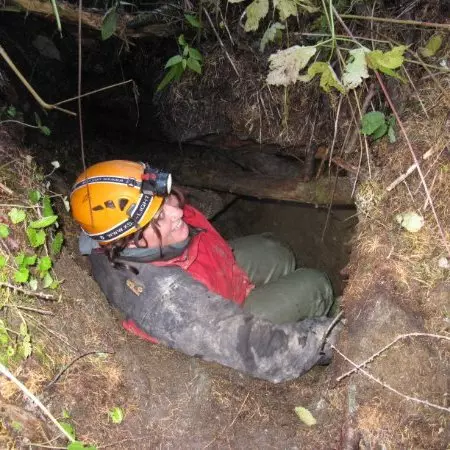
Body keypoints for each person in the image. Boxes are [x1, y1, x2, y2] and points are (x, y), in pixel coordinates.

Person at [70, 160, 340, 383]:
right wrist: (331, 337)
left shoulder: (108, 229)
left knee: (277, 253)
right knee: (315, 286)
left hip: (206, 270)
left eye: (165, 200)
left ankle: (264, 291)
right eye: (159, 218)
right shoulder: (167, 300)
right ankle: (323, 311)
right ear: (129, 241)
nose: (176, 212)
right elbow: (268, 355)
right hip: (214, 317)